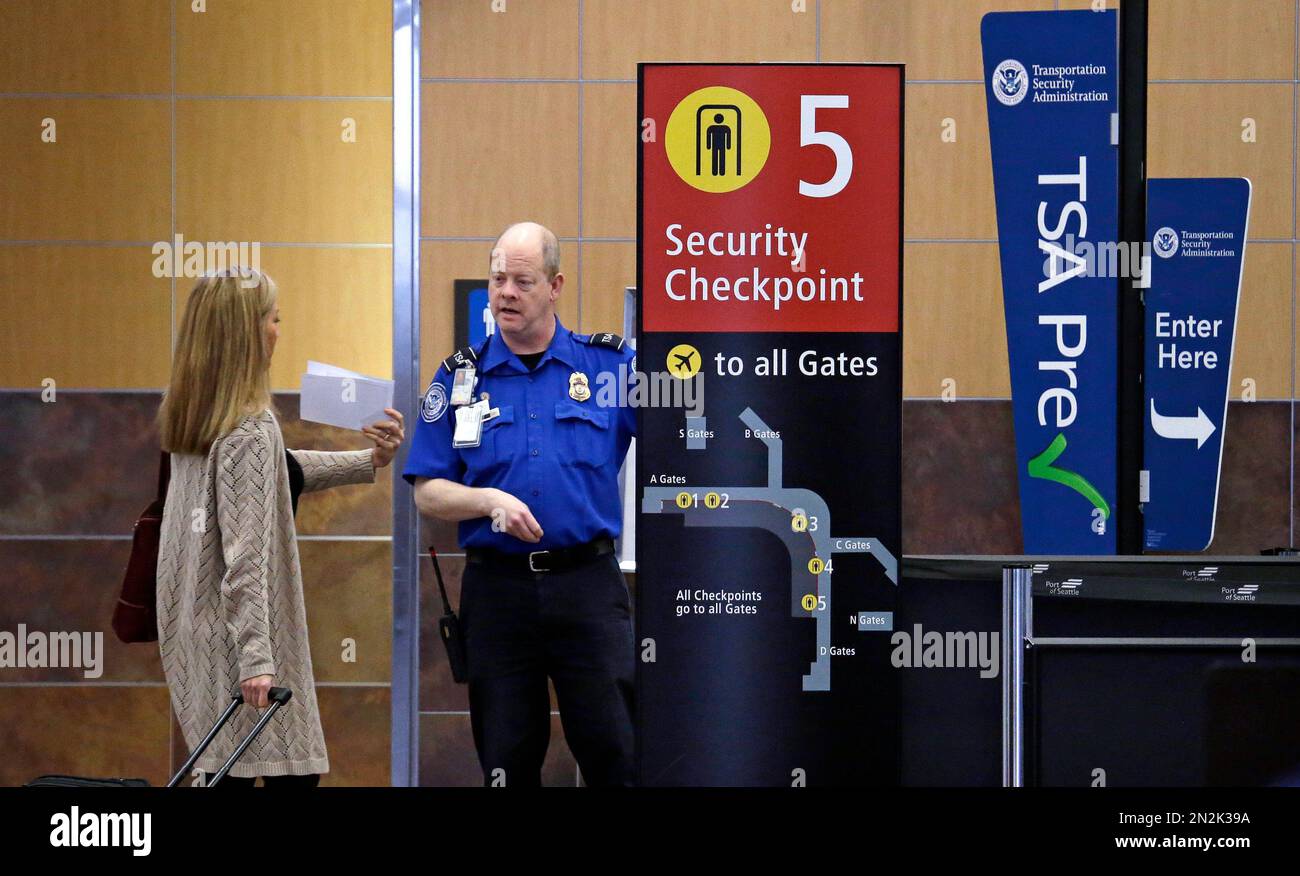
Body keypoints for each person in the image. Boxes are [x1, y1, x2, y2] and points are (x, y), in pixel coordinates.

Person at [404, 221, 637, 787]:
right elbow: (426, 490)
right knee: (506, 758)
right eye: (498, 277)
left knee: (616, 752)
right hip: (498, 592)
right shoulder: (461, 377)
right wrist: (486, 501)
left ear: (555, 286)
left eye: (522, 281)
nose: (505, 292)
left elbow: (687, 433)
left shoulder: (610, 369)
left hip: (587, 586)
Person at [155, 268, 404, 787]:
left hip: (193, 632)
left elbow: (276, 471)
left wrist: (367, 462)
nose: (279, 330)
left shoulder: (196, 420)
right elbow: (245, 559)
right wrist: (257, 660)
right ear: (247, 334)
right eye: (274, 319)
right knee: (290, 774)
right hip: (245, 648)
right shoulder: (248, 424)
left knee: (220, 772)